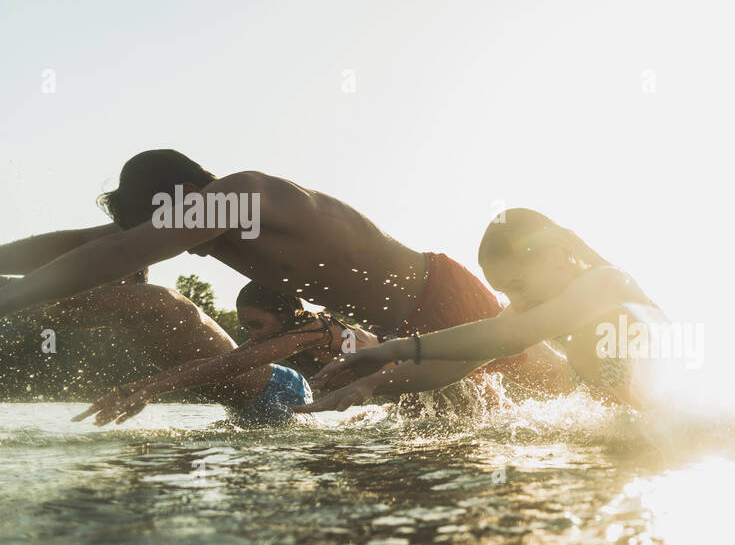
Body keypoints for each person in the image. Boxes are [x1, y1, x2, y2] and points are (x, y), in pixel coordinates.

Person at [0, 150, 573, 398]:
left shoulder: (243, 195)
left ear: (185, 198)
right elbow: (84, 243)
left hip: (439, 296)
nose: (178, 249)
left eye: (163, 228)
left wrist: (12, 300)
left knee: (556, 396)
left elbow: (114, 256)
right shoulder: (208, 221)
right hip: (405, 328)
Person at [299, 208, 678, 412]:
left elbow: (513, 335)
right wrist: (372, 383)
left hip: (678, 441)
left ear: (558, 256)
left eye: (518, 285)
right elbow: (460, 361)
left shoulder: (607, 282)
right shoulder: (541, 307)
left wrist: (392, 347)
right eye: (506, 292)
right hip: (636, 440)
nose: (518, 300)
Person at [0, 275, 310, 425]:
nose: (92, 283)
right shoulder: (124, 318)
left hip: (276, 390)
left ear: (129, 278)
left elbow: (63, 298)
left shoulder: (155, 298)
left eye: (100, 276)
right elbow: (56, 316)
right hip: (245, 403)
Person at [74, 281, 377, 425]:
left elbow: (231, 366)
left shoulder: (314, 327)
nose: (253, 335)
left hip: (411, 371)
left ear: (284, 314)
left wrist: (151, 390)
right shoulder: (281, 333)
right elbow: (215, 362)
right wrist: (134, 388)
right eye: (247, 328)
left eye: (257, 324)